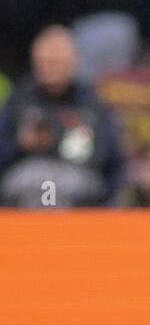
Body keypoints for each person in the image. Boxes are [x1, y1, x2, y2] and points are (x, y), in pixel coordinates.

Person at [0, 25, 124, 207]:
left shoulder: (93, 103)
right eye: (46, 61)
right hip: (26, 181)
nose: (51, 68)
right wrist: (20, 144)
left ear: (74, 62)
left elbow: (113, 160)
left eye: (57, 61)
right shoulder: (18, 100)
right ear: (35, 62)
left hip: (79, 184)